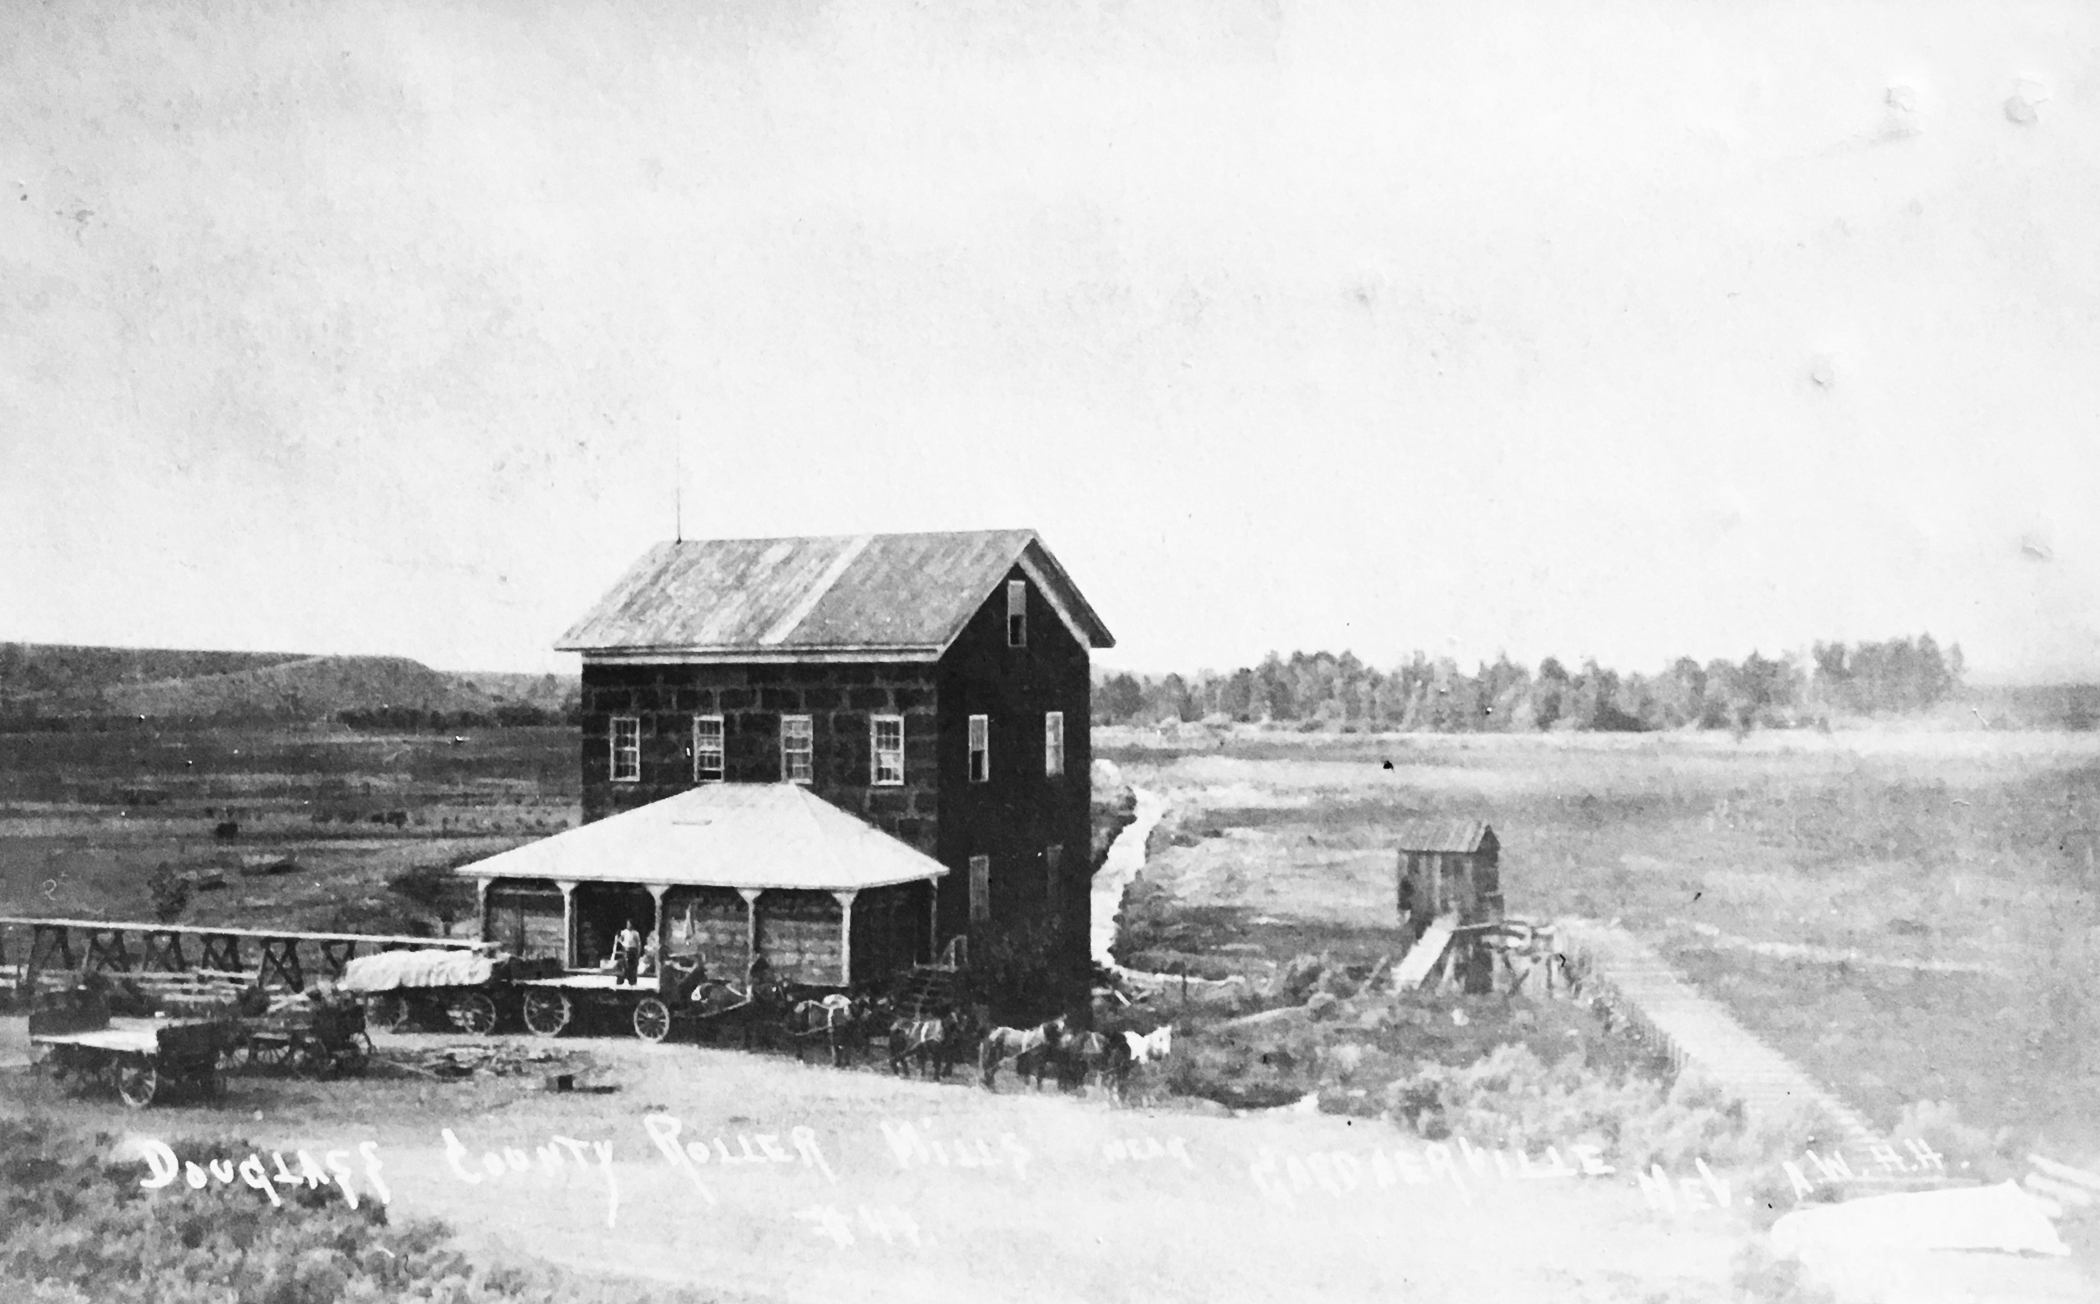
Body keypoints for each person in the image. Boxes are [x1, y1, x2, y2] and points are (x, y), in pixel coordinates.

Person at [613, 919, 643, 986]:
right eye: (628, 924)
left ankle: (632, 980)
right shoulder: (624, 932)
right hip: (626, 949)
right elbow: (620, 939)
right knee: (626, 965)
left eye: (630, 924)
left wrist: (638, 951)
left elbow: (638, 943)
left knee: (633, 966)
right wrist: (622, 943)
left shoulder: (635, 933)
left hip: (633, 949)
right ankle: (622, 979)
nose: (628, 925)